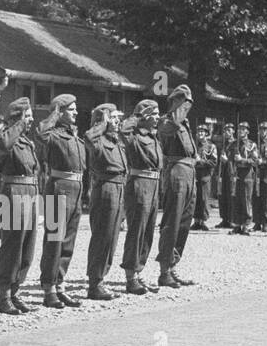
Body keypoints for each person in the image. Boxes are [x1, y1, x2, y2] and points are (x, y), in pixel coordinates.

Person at [37, 93, 87, 307]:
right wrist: (54, 114)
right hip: (58, 188)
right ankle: (48, 289)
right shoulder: (54, 134)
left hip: (75, 190)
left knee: (68, 242)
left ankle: (60, 285)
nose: (76, 112)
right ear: (61, 111)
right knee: (54, 241)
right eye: (71, 109)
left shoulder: (74, 136)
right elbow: (41, 133)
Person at [0, 96, 39, 314]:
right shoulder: (5, 137)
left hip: (29, 193)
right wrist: (18, 125)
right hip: (13, 193)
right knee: (12, 245)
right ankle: (4, 296)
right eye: (27, 116)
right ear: (17, 119)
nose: (31, 120)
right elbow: (2, 146)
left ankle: (16, 290)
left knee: (27, 246)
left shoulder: (26, 142)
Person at [119, 99, 163, 292]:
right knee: (136, 230)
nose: (158, 117)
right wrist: (137, 116)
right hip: (139, 185)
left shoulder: (153, 137)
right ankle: (130, 276)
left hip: (153, 185)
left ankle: (139, 270)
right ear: (144, 115)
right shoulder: (134, 137)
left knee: (148, 232)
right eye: (154, 113)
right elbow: (123, 130)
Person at [84, 102, 126, 299]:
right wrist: (102, 121)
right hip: (105, 189)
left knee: (112, 238)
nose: (118, 122)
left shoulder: (116, 141)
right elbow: (89, 136)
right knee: (102, 236)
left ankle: (101, 279)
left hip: (119, 188)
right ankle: (95, 283)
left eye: (118, 118)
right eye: (114, 118)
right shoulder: (98, 140)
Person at [156, 85, 197, 285]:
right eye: (183, 101)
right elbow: (168, 128)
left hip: (189, 173)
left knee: (184, 223)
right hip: (176, 173)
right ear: (174, 102)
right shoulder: (167, 121)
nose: (187, 106)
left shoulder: (185, 124)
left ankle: (172, 266)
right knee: (171, 223)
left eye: (189, 102)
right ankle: (164, 270)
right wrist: (178, 112)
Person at [232, 121, 259, 235]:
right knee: (237, 199)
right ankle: (237, 224)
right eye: (239, 129)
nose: (240, 131)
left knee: (246, 200)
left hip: (247, 174)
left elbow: (254, 161)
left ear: (247, 131)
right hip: (237, 174)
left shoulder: (252, 145)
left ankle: (246, 224)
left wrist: (241, 160)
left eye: (243, 129)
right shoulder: (234, 144)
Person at [191, 123, 216, 230]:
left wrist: (200, 161)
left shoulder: (211, 146)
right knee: (195, 199)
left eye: (202, 132)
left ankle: (202, 221)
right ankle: (196, 221)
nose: (200, 133)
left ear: (206, 134)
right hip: (195, 176)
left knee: (204, 199)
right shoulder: (194, 146)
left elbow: (213, 162)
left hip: (205, 176)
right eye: (199, 132)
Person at [216, 123, 236, 228]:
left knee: (231, 196)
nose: (227, 132)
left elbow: (235, 160)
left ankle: (232, 219)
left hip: (232, 173)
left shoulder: (235, 144)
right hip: (224, 173)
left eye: (229, 130)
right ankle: (224, 219)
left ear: (233, 131)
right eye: (225, 131)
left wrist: (227, 161)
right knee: (222, 196)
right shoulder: (224, 144)